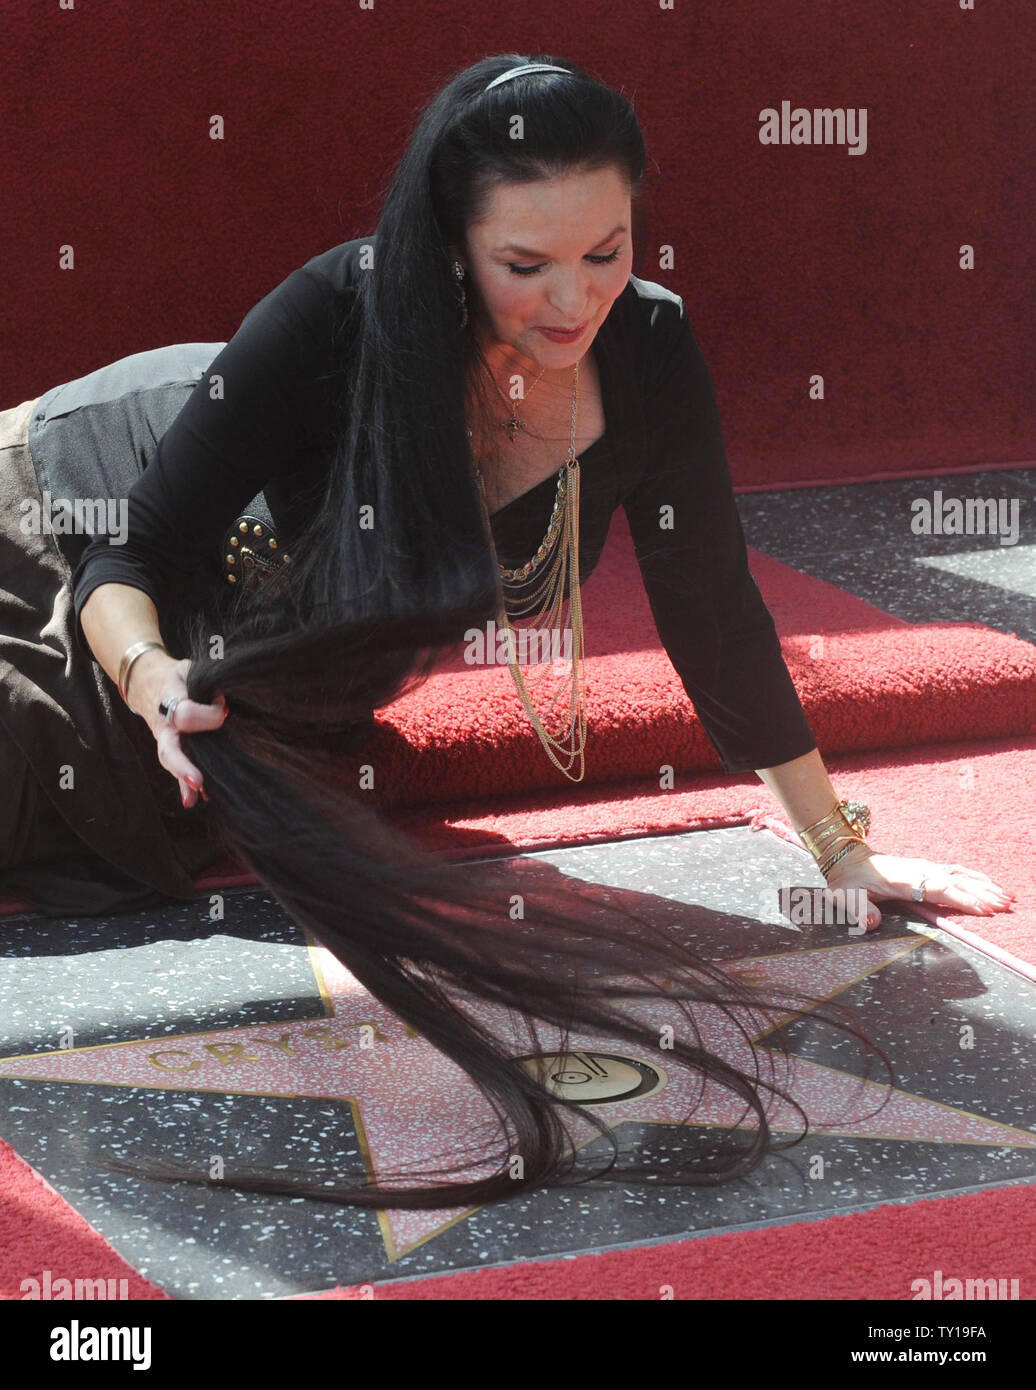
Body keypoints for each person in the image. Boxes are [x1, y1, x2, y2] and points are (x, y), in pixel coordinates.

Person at [0, 54, 1014, 1206]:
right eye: (525, 264)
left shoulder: (648, 355)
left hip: (243, 687)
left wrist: (843, 851)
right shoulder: (338, 308)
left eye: (607, 253)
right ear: (448, 246)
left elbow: (715, 614)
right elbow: (130, 554)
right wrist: (147, 679)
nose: (575, 301)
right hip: (54, 538)